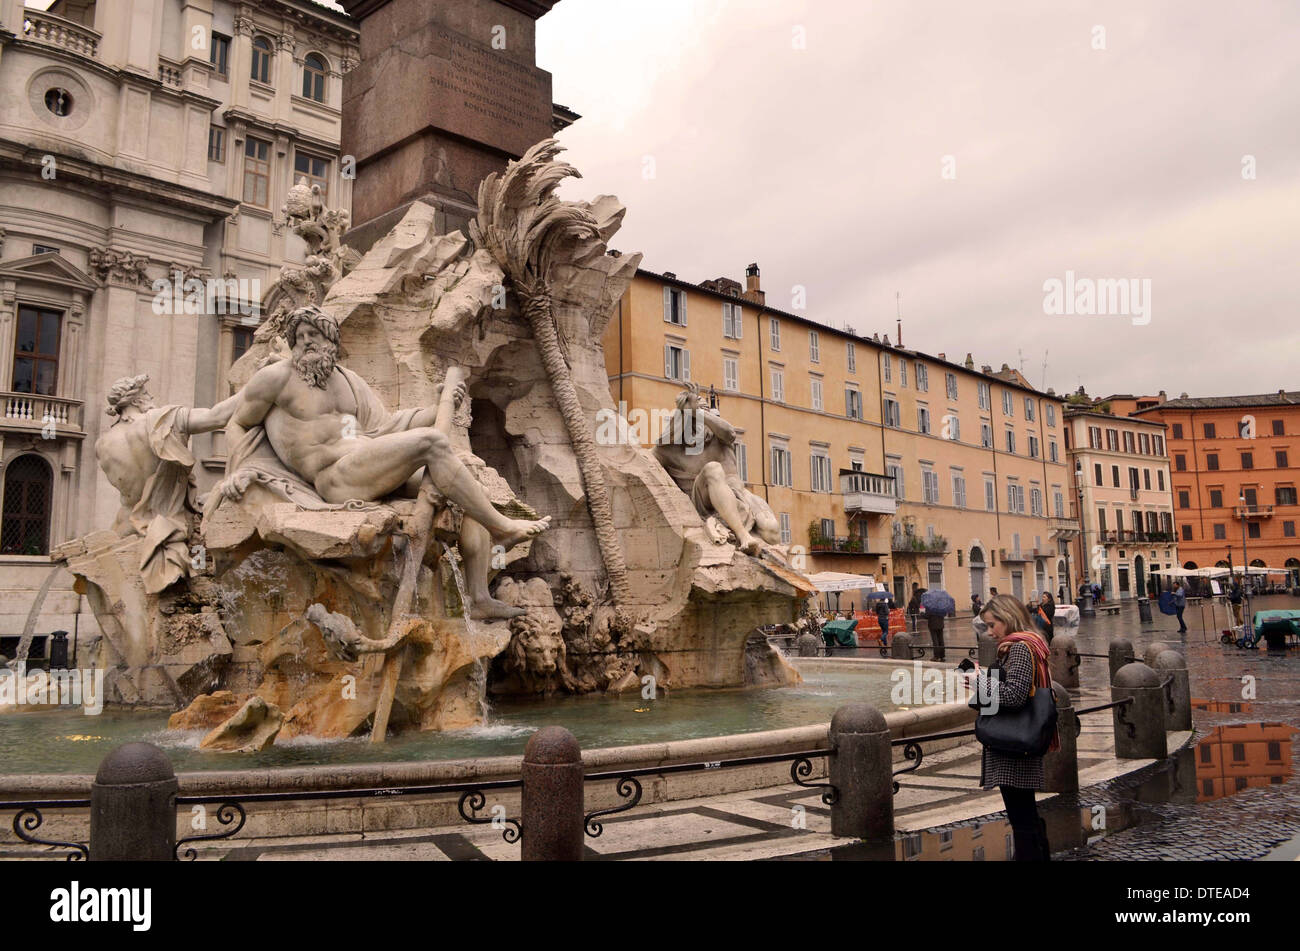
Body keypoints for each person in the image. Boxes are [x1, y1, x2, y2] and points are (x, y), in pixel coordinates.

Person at [968, 594, 1059, 861]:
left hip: (1014, 746)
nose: (990, 632)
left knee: (1021, 819)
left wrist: (979, 683)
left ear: (1008, 618)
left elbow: (1014, 695)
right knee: (1026, 814)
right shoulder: (1023, 645)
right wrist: (981, 681)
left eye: (992, 624)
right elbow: (1009, 688)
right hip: (1020, 741)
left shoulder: (1019, 647)